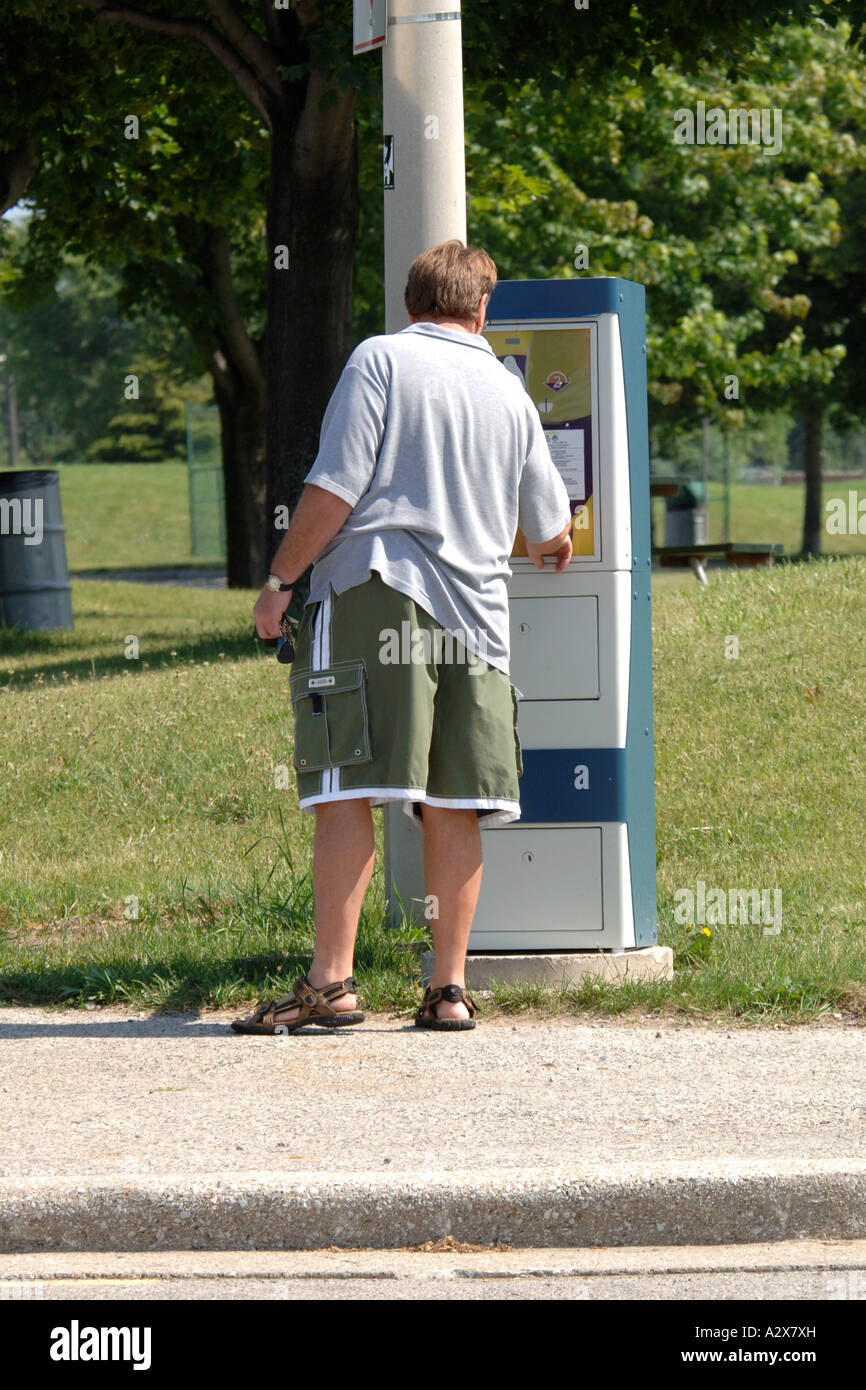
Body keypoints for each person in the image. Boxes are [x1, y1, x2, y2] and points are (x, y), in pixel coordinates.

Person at [233, 240, 571, 1036]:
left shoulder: (380, 360)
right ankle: (448, 989)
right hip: (478, 622)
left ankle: (331, 985)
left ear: (412, 302)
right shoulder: (508, 389)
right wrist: (546, 546)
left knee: (345, 784)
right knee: (453, 797)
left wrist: (281, 581)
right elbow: (549, 530)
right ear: (482, 309)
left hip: (378, 591)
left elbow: (334, 487)